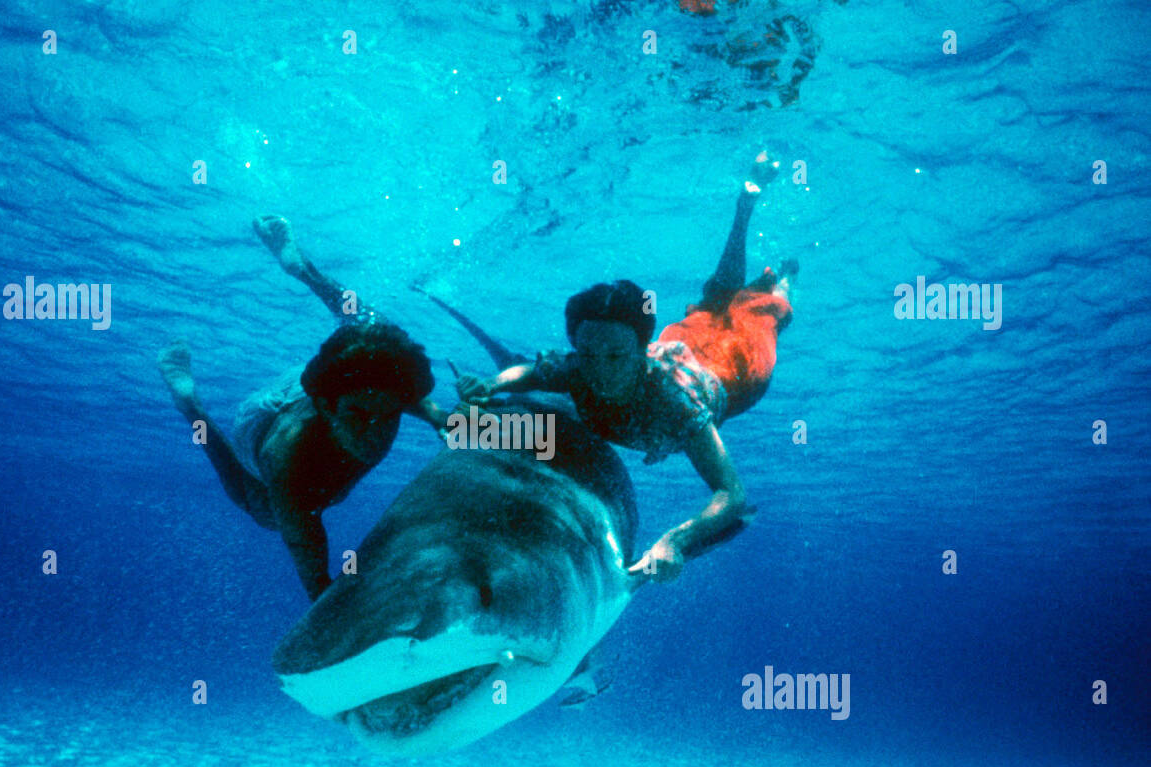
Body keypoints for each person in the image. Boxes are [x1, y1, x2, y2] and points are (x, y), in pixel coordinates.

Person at [450, 153, 796, 585]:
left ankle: (784, 280)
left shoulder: (676, 407)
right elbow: (532, 373)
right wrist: (492, 383)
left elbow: (732, 495)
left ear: (640, 351)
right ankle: (745, 208)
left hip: (735, 370)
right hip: (683, 342)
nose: (599, 369)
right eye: (588, 353)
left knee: (765, 314)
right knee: (717, 298)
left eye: (615, 356)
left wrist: (677, 541)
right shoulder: (582, 363)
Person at [159, 217, 450, 600]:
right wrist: (324, 602)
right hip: (263, 422)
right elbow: (308, 551)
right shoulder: (287, 460)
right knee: (265, 513)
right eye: (360, 419)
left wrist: (462, 424)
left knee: (381, 338)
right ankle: (190, 404)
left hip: (336, 382)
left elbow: (432, 412)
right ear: (328, 409)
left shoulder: (384, 394)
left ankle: (302, 268)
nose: (376, 434)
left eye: (390, 417)